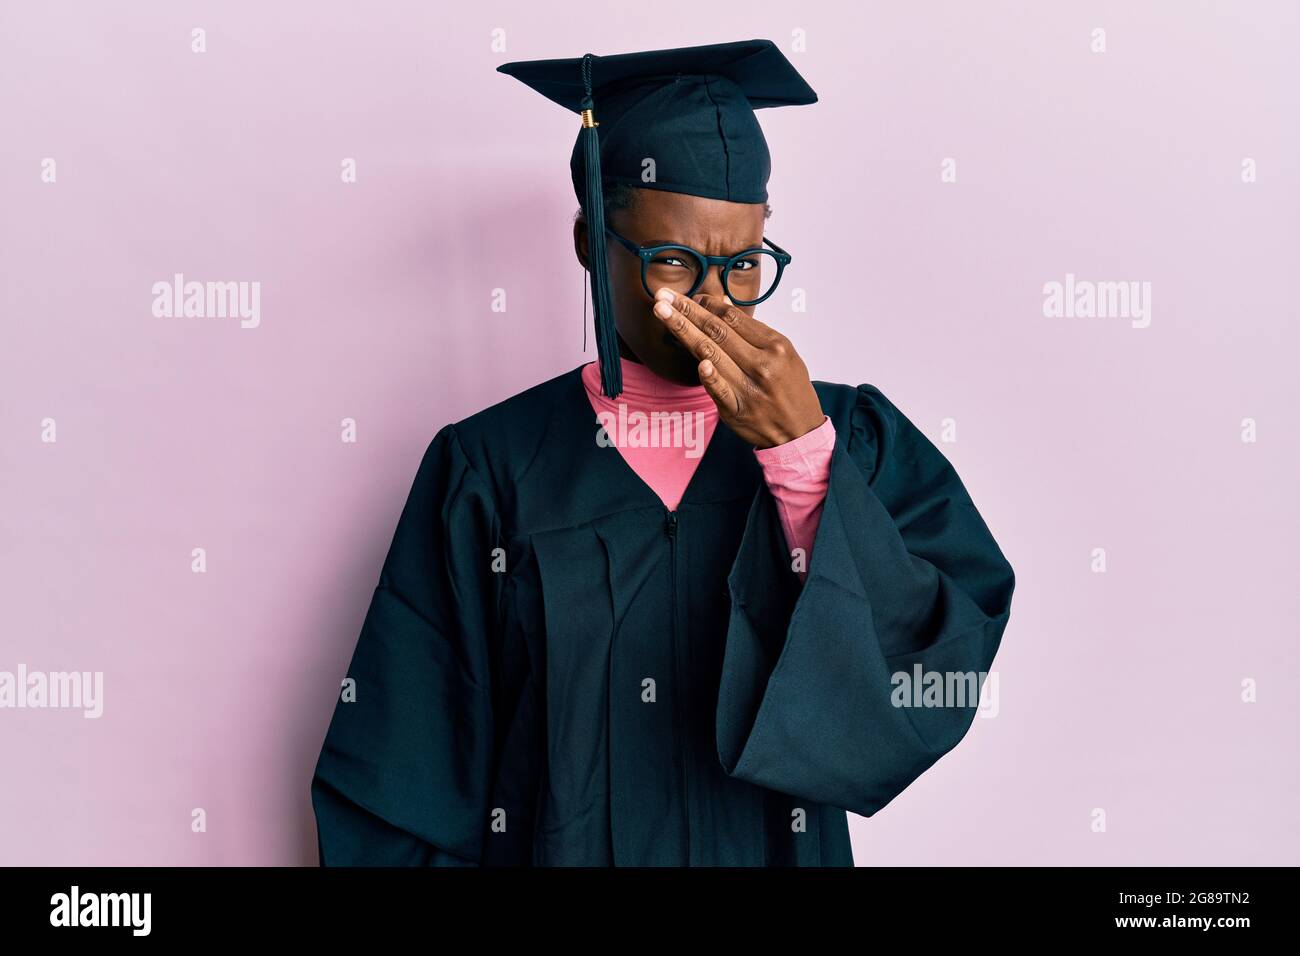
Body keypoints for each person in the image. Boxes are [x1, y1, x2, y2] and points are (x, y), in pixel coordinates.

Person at [309, 39, 1016, 866]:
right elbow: (403, 781)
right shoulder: (489, 470)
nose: (717, 300)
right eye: (674, 262)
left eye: (744, 264)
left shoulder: (850, 437)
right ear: (590, 242)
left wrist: (804, 464)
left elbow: (933, 676)